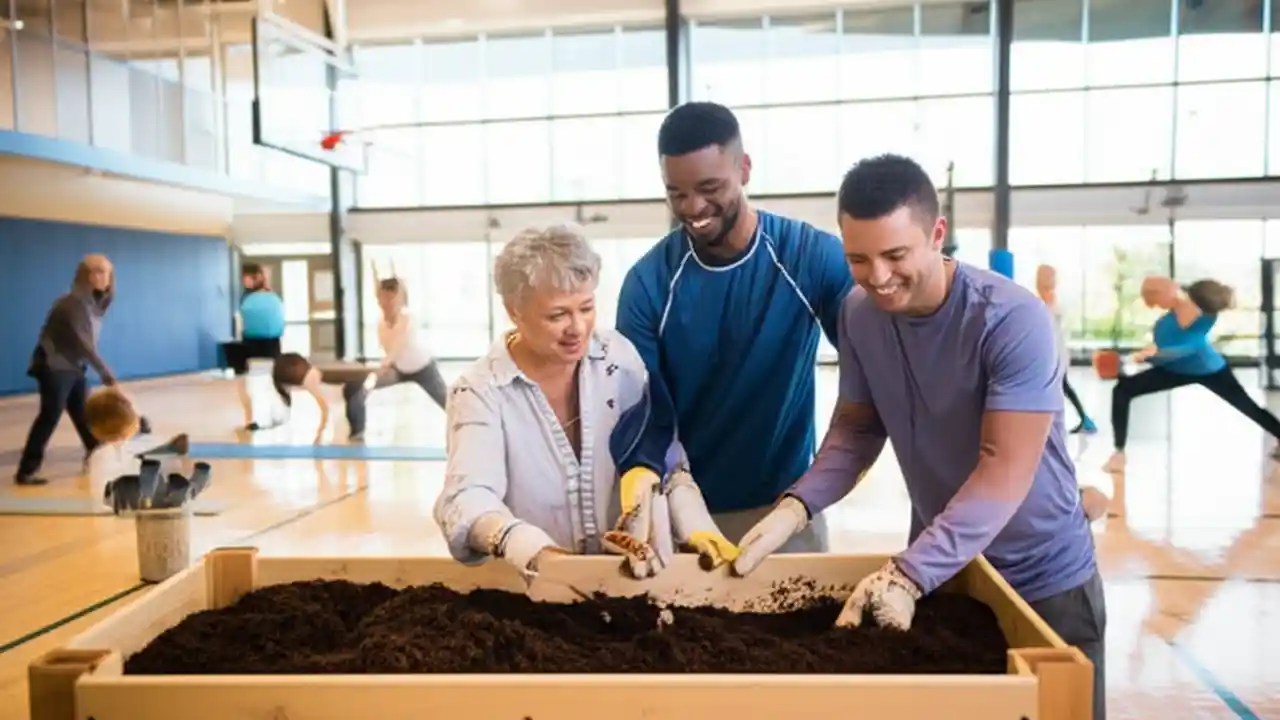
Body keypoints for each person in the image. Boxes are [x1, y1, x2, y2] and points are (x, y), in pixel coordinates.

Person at [731, 155, 1106, 720]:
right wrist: (795, 507)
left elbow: (1003, 469)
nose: (878, 276)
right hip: (946, 574)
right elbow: (857, 430)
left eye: (895, 255)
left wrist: (909, 572)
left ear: (937, 234)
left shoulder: (1011, 321)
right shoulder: (859, 314)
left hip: (1041, 577)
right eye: (858, 258)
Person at [613, 101, 854, 555]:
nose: (694, 207)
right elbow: (644, 415)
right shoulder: (648, 285)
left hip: (785, 512)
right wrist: (680, 508)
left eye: (709, 187)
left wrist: (808, 495)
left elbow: (875, 373)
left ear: (744, 169)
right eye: (677, 193)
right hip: (684, 514)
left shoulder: (812, 258)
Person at [433, 224, 733, 580]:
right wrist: (524, 545)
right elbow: (468, 497)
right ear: (515, 311)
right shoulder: (480, 392)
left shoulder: (618, 359)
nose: (577, 327)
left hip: (632, 584)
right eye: (557, 315)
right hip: (538, 594)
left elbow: (661, 452)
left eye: (586, 307)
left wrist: (692, 518)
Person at [1104, 276, 1280, 473]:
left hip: (1210, 370)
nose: (1152, 304)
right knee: (1122, 390)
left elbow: (1185, 349)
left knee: (1248, 407)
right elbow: (1164, 351)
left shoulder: (1205, 318)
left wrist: (1145, 357)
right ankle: (1119, 453)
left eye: (1154, 297)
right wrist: (1134, 359)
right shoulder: (1165, 324)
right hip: (1175, 371)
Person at [15, 255, 119, 486]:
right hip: (54, 365)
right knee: (51, 414)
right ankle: (26, 471)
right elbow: (84, 343)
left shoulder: (93, 304)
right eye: (100, 271)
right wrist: (104, 371)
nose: (106, 278)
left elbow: (85, 344)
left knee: (84, 414)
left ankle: (95, 455)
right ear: (86, 275)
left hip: (73, 367)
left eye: (109, 273)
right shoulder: (71, 303)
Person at [355, 275, 448, 440]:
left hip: (424, 368)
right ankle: (358, 429)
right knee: (362, 388)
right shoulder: (381, 323)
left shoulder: (408, 318)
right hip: (398, 370)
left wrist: (386, 362)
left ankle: (473, 428)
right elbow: (387, 348)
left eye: (391, 298)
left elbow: (399, 345)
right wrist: (382, 368)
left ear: (398, 299)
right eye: (383, 298)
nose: (386, 302)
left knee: (448, 403)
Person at [1036, 264, 1097, 434]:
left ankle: (1082, 420)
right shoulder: (1041, 298)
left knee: (1060, 386)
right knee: (1061, 386)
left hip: (1054, 349)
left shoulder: (1048, 299)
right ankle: (1082, 419)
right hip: (1048, 348)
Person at [268, 353, 376, 445]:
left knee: (352, 427)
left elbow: (324, 408)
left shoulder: (310, 378)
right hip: (355, 385)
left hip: (356, 385)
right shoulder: (312, 374)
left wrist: (320, 432)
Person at [231, 263, 285, 431]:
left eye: (246, 278)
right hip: (265, 345)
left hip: (261, 345)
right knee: (263, 384)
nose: (244, 282)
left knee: (259, 384)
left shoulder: (256, 300)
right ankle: (274, 415)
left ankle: (264, 418)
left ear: (254, 277)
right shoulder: (268, 298)